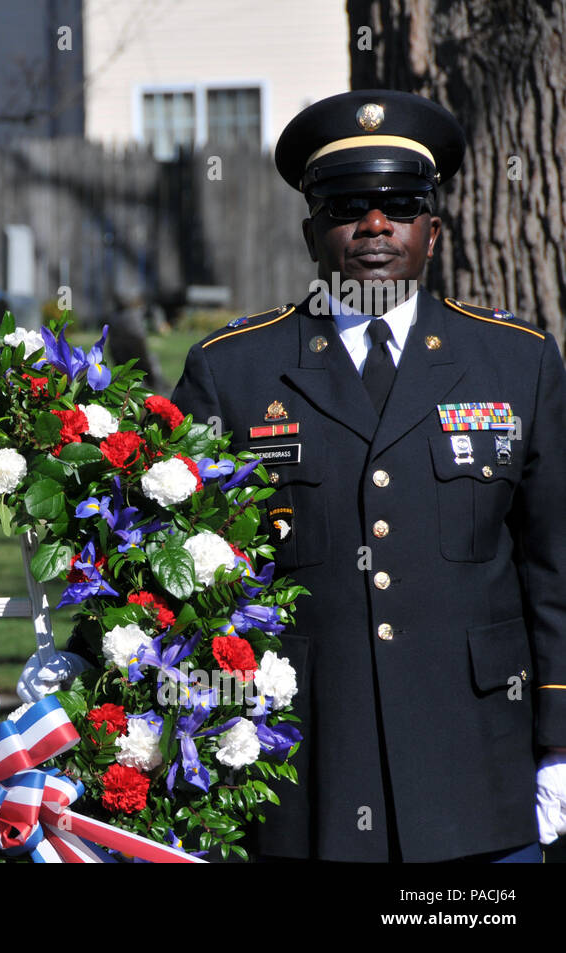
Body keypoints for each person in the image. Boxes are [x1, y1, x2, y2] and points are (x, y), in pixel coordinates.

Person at [172, 90, 566, 862]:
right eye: (349, 205)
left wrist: (560, 741)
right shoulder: (236, 370)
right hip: (306, 765)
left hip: (478, 766)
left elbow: (556, 568)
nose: (376, 225)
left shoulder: (516, 362)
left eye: (400, 204)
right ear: (312, 227)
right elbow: (183, 574)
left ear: (433, 228)